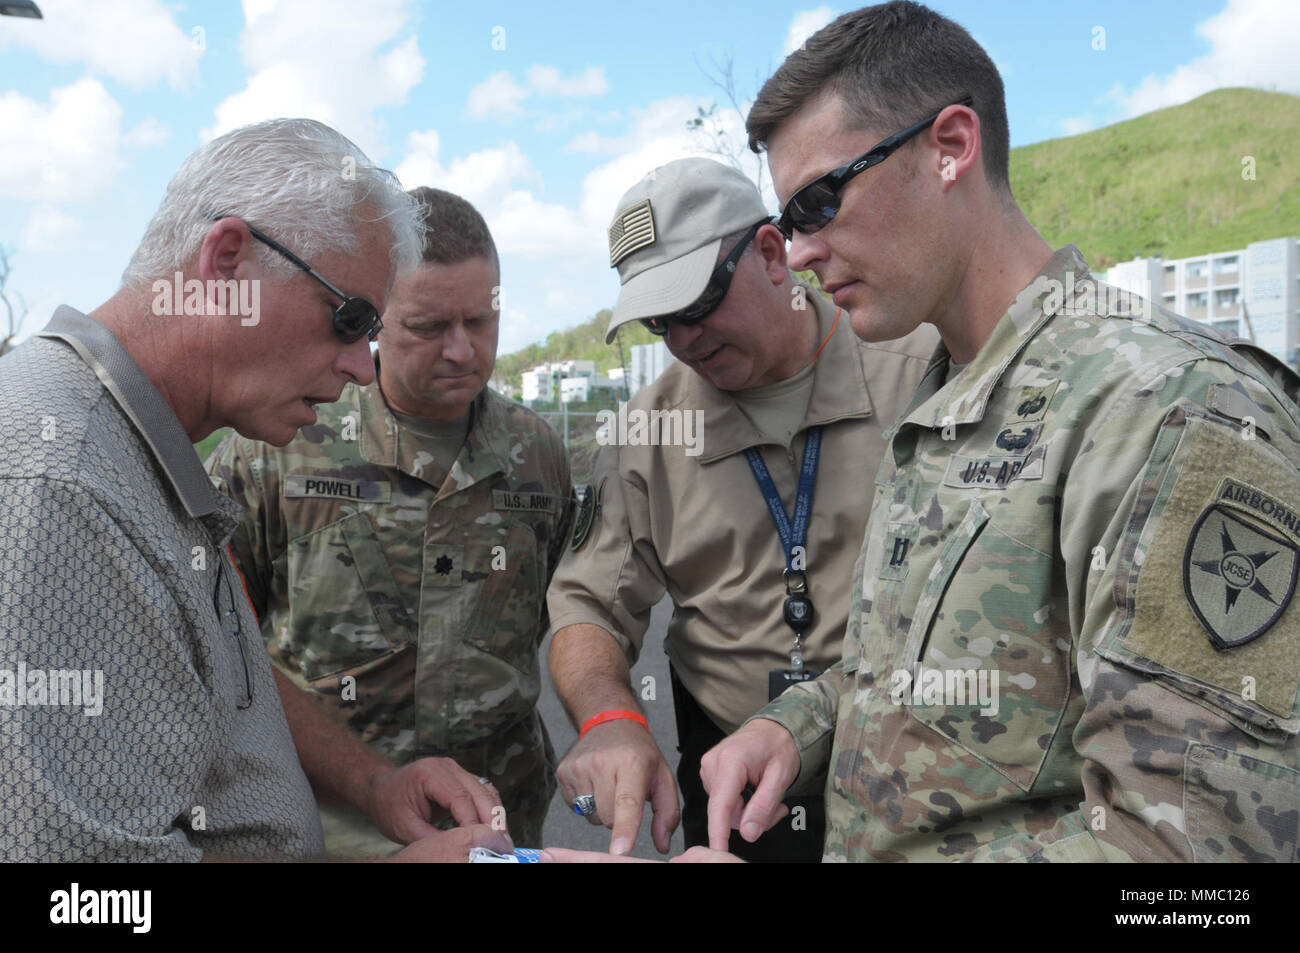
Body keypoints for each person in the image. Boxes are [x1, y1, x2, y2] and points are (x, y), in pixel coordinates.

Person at [703, 0, 1300, 862]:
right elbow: (966, 677)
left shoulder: (1166, 409)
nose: (797, 253)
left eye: (820, 203)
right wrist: (801, 724)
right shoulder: (942, 392)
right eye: (790, 221)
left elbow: (1193, 864)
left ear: (950, 147)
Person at [0, 118, 511, 862]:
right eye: (351, 318)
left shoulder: (135, 449)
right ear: (228, 260)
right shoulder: (62, 480)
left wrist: (371, 784)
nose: (362, 368)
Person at [545, 157, 936, 861]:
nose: (685, 339)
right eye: (661, 322)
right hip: (736, 774)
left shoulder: (920, 370)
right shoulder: (645, 434)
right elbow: (587, 604)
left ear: (768, 253)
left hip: (914, 753)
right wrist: (609, 716)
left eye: (698, 304)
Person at [208, 186, 572, 856]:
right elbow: (222, 637)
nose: (460, 351)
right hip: (332, 825)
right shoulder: (281, 442)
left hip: (499, 822)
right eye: (429, 327)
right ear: (376, 318)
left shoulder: (538, 453)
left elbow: (553, 602)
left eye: (480, 323)